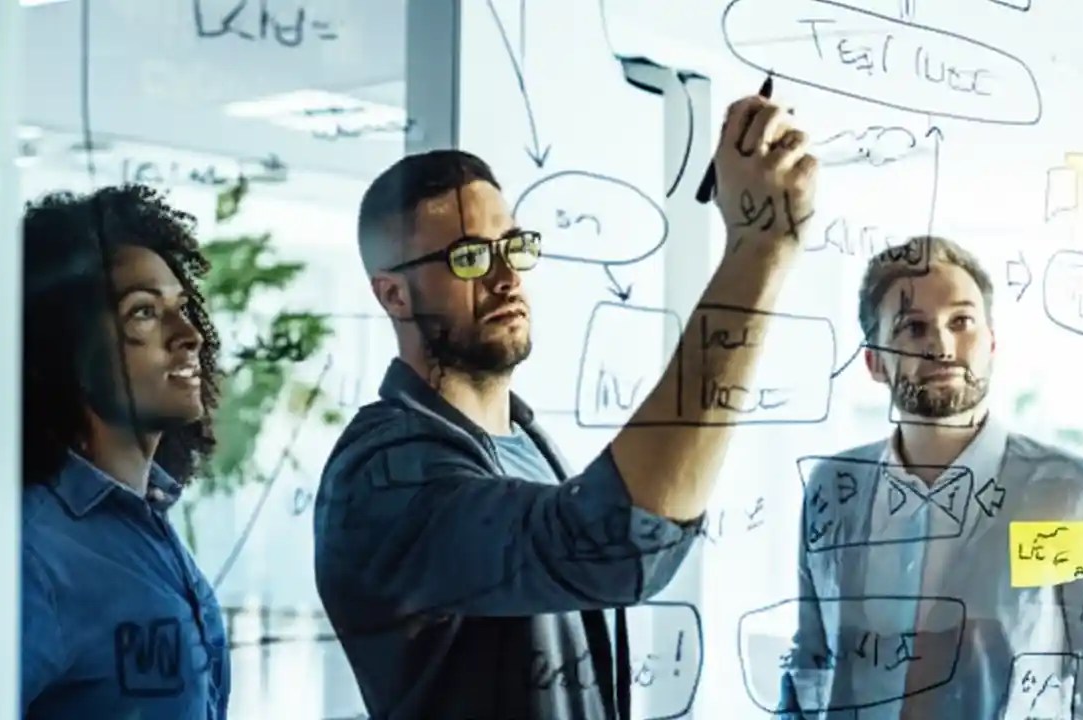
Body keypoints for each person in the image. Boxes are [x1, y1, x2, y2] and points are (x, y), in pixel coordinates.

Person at [314, 92, 818, 719]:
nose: (505, 277)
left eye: (512, 246)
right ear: (393, 294)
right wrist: (759, 248)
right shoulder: (381, 476)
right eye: (469, 257)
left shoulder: (524, 444)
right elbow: (621, 543)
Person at [777, 237, 1083, 719]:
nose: (942, 346)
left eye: (962, 321)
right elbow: (810, 662)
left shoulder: (1073, 497)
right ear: (874, 362)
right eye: (913, 327)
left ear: (992, 343)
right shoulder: (832, 487)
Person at [20, 184, 230, 719]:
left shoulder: (148, 518)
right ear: (66, 345)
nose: (189, 336)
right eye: (143, 313)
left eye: (183, 310)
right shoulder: (31, 553)